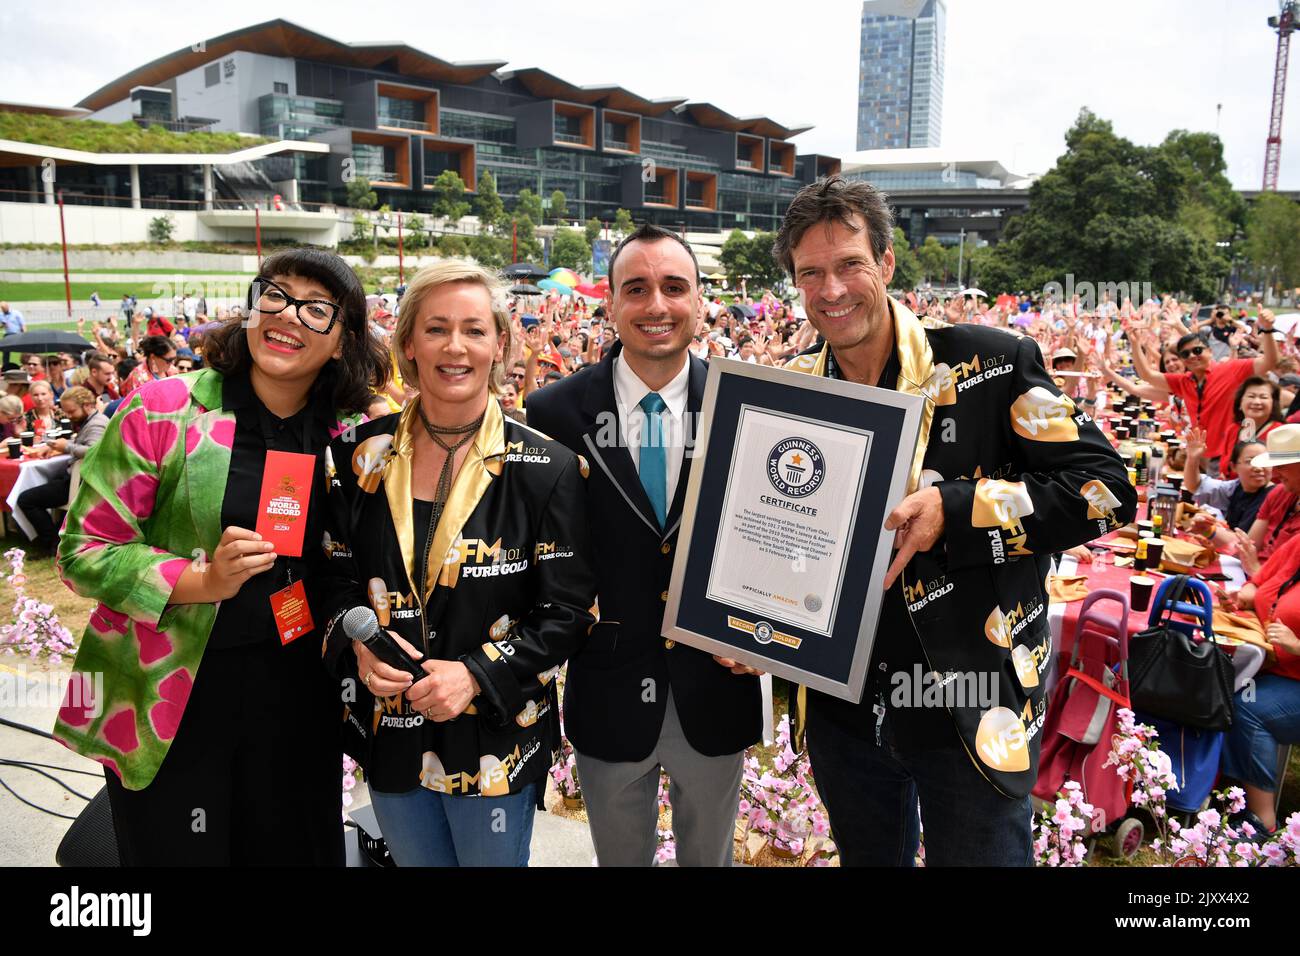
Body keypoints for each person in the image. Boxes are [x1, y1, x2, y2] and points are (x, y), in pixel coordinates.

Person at [771, 176, 1136, 866]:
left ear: (885, 262)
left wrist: (960, 509)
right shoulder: (794, 388)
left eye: (849, 264)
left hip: (975, 708)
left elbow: (1107, 490)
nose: (831, 290)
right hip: (844, 711)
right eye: (810, 273)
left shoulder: (991, 363)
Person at [52, 248, 388, 865]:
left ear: (343, 340)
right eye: (275, 295)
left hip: (298, 695)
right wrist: (201, 579)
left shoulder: (352, 434)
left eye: (317, 309)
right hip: (173, 694)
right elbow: (82, 551)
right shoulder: (162, 409)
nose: (287, 317)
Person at [318, 260, 595, 867]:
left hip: (495, 744)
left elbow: (569, 612)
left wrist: (472, 674)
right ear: (409, 342)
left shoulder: (548, 469)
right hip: (389, 736)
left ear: (500, 343)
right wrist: (359, 644)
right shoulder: (355, 457)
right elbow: (331, 576)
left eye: (474, 329)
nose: (455, 346)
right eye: (436, 328)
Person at [527, 224, 763, 867]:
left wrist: (768, 635)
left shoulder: (749, 407)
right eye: (637, 288)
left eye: (674, 287)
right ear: (609, 304)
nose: (657, 305)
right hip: (607, 688)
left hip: (717, 685)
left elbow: (782, 543)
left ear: (701, 299)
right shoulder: (552, 412)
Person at [1216, 532, 1300, 835]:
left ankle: (1262, 821)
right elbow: (1260, 581)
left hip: (1293, 680)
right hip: (1274, 668)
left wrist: (1297, 646)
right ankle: (1218, 784)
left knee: (1248, 708)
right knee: (1219, 681)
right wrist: (1243, 598)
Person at [1129, 312, 1278, 476]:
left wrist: (1268, 330)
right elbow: (1147, 375)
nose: (1192, 356)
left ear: (1210, 351)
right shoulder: (1184, 381)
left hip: (1227, 457)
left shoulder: (1231, 369)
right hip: (1199, 456)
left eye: (1197, 350)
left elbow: (1269, 362)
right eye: (1185, 354)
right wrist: (1135, 343)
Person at [15, 386, 108, 556]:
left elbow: (93, 451)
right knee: (42, 486)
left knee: (27, 499)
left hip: (82, 483)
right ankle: (53, 538)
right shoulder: (91, 420)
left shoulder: (97, 423)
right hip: (78, 478)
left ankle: (51, 542)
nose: (69, 416)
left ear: (87, 405)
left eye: (72, 411)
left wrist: (67, 447)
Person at [1184, 430, 1272, 545]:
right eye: (1250, 461)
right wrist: (1192, 458)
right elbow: (1196, 485)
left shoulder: (1274, 497)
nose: (1259, 468)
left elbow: (1248, 545)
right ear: (1233, 467)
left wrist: (1209, 530)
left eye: (1264, 461)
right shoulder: (1236, 487)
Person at [1218, 376, 1284, 478]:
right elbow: (1223, 470)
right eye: (1251, 396)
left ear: (1273, 404)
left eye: (1263, 397)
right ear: (1240, 402)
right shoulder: (1232, 430)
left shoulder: (1281, 433)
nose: (1257, 402)